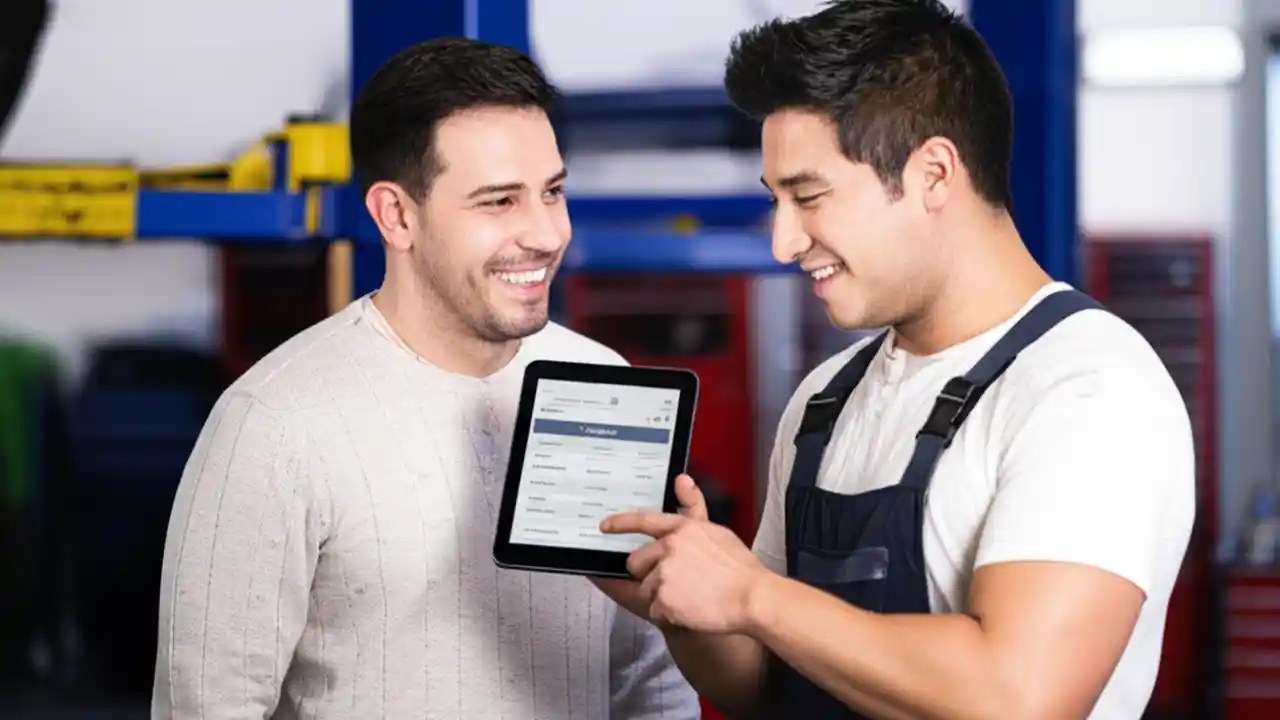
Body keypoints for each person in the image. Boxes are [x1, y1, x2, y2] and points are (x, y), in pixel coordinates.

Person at [592, 1, 1197, 718]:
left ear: (933, 174)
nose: (783, 242)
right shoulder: (828, 399)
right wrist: (682, 597)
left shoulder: (1086, 388)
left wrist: (753, 592)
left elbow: (1020, 698)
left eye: (808, 196)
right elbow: (766, 684)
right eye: (776, 201)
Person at [151, 37, 699, 720]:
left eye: (552, 192)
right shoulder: (273, 423)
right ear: (396, 216)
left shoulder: (602, 383)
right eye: (499, 202)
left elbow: (648, 679)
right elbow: (210, 707)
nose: (545, 233)